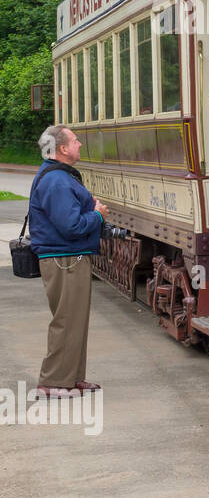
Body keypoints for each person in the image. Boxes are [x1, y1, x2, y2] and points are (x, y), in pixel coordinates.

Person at [28, 125, 107, 398]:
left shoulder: (59, 177)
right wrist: (97, 215)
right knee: (66, 321)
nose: (80, 144)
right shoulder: (56, 181)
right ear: (62, 148)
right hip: (64, 259)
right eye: (75, 140)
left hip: (67, 258)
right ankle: (53, 382)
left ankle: (72, 377)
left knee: (75, 321)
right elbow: (71, 226)